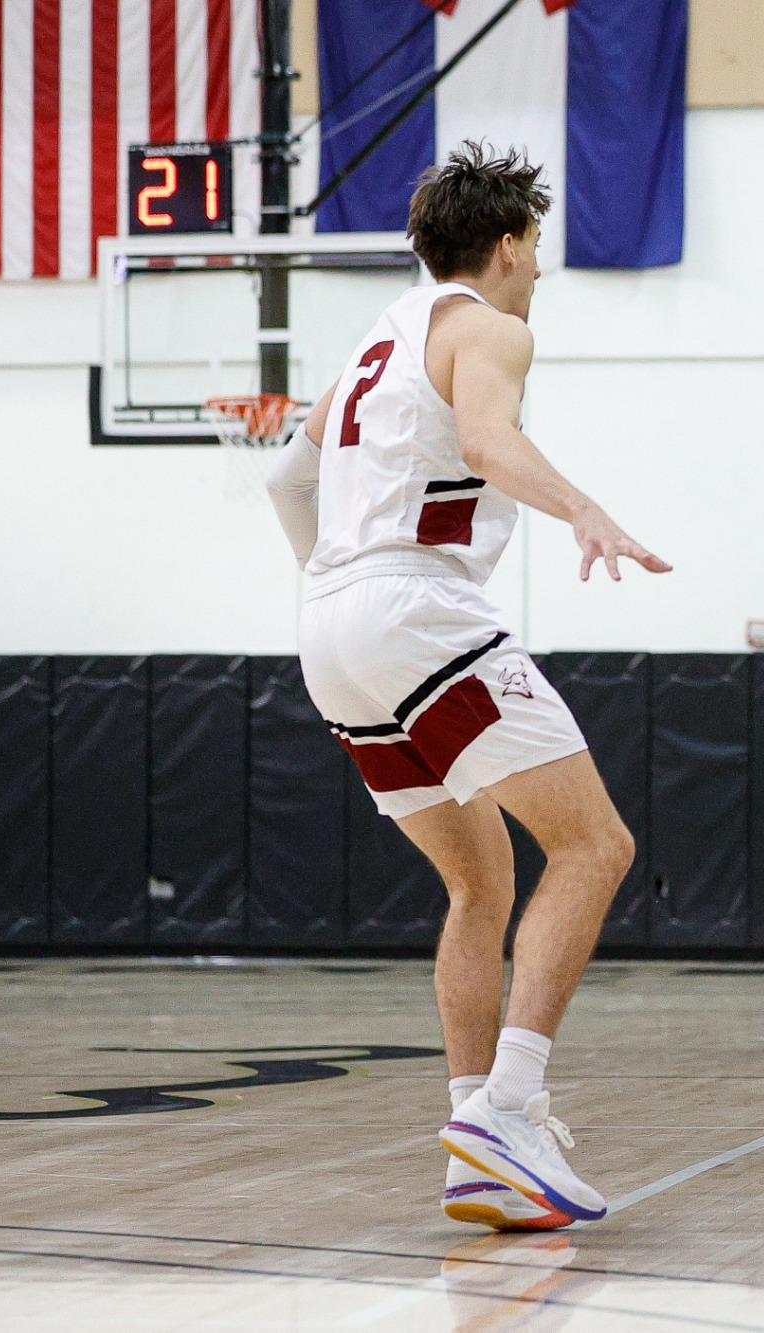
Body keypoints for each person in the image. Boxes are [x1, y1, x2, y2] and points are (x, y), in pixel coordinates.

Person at [264, 143, 669, 1229]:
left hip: (329, 628)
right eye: (534, 242)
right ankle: (512, 1105)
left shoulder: (377, 338)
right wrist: (583, 508)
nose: (538, 265)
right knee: (595, 846)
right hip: (416, 611)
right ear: (506, 244)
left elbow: (285, 476)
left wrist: (332, 575)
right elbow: (488, 441)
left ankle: (474, 1148)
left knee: (480, 881)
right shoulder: (490, 327)